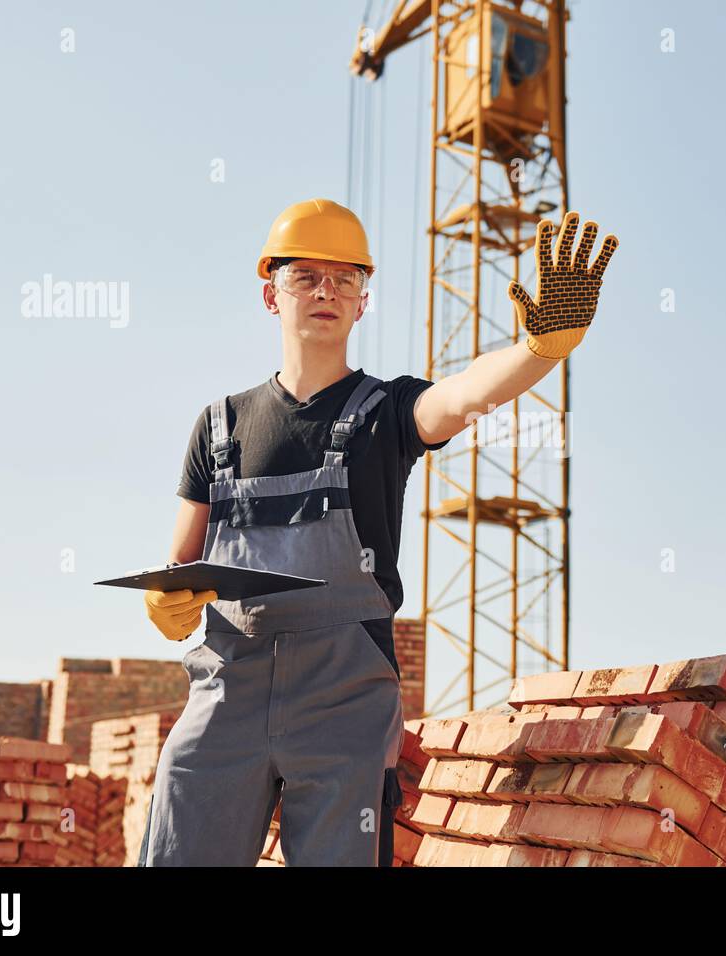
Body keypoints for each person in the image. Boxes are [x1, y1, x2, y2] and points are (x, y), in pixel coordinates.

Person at [136, 197, 618, 866]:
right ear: (271, 293)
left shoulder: (384, 413)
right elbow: (180, 566)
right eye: (305, 275)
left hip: (343, 703)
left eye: (346, 278)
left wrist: (536, 352)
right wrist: (167, 602)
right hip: (226, 695)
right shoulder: (218, 426)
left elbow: (462, 395)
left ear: (364, 300)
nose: (326, 291)